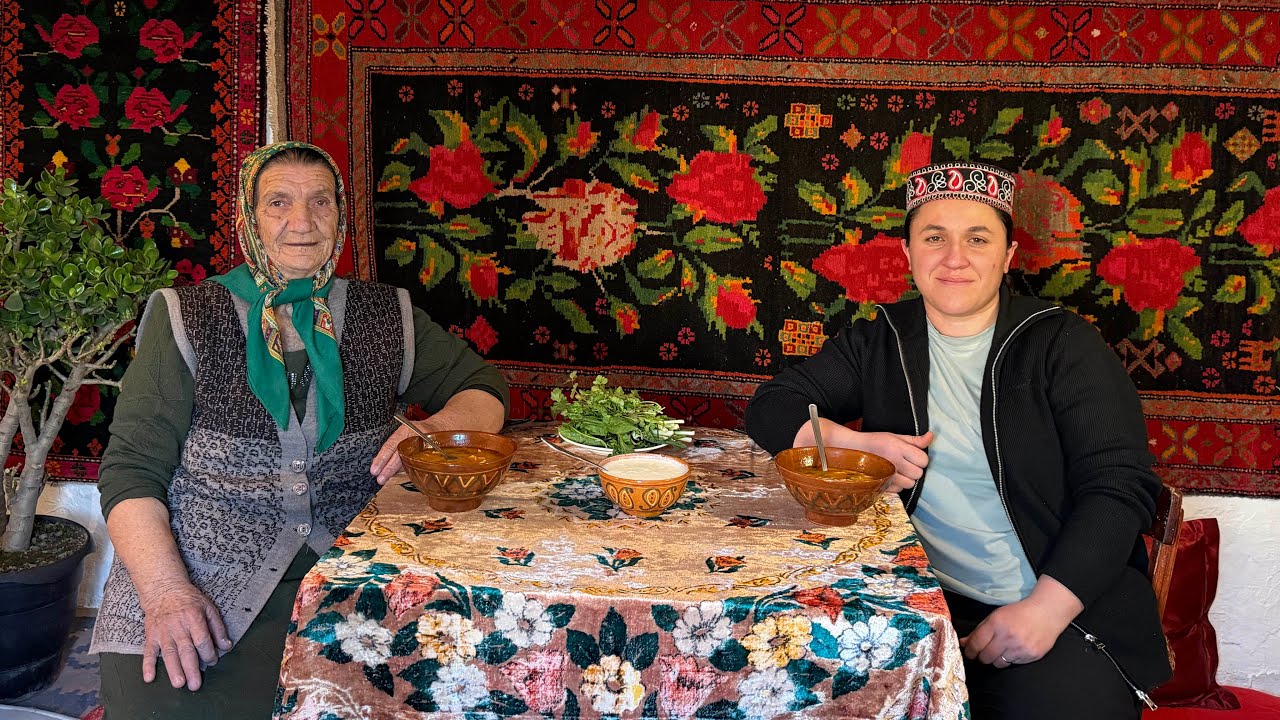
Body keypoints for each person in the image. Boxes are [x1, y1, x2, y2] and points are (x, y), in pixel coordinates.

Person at [89, 141, 508, 718]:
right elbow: (132, 472)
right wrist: (165, 592)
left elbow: (484, 390)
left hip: (352, 575)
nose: (302, 223)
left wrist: (432, 431)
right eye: (278, 203)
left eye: (320, 202)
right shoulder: (185, 315)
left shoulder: (385, 313)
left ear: (340, 215)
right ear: (248, 219)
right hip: (200, 575)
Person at [746, 162, 1170, 719]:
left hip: (1059, 607)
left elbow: (1119, 490)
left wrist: (1043, 611)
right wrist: (853, 447)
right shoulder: (883, 338)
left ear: (1008, 256)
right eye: (934, 237)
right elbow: (770, 407)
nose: (955, 258)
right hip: (918, 601)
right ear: (907, 254)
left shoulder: (1063, 345)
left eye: (977, 238)